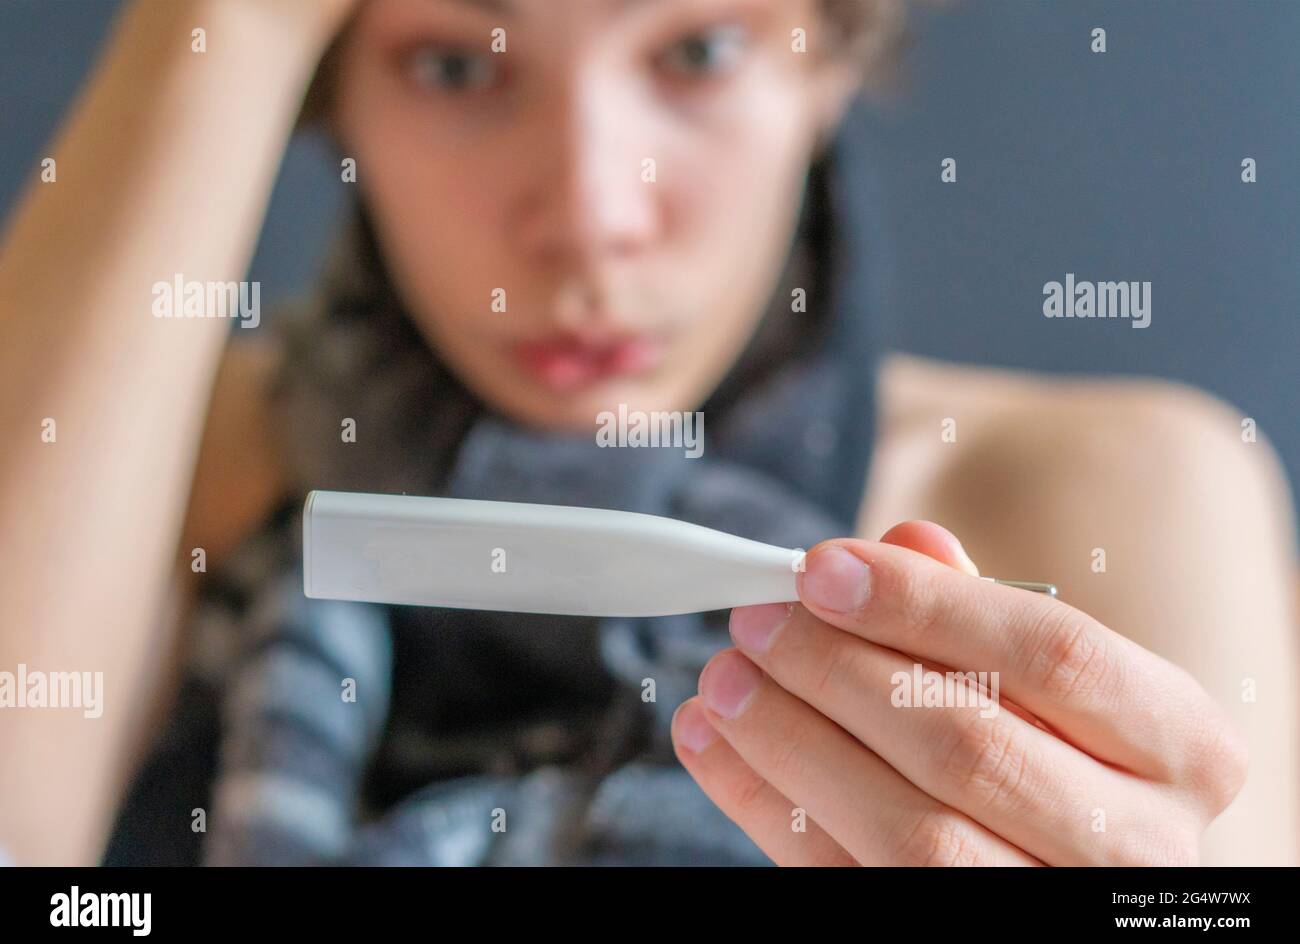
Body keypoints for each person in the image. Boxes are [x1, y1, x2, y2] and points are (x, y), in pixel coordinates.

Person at [0, 0, 1294, 866]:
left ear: (829, 60)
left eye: (697, 51)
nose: (589, 212)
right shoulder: (150, 477)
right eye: (456, 63)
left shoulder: (1118, 498)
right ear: (326, 83)